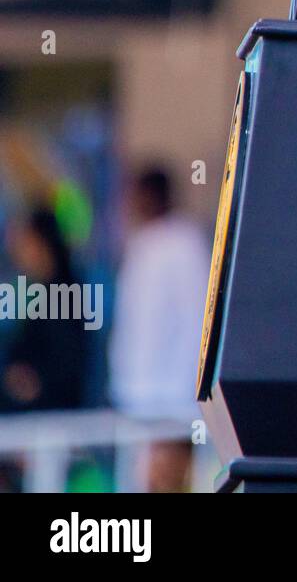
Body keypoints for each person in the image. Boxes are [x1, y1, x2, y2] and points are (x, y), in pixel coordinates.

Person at [109, 166, 209, 491]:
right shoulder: (141, 245)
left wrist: (184, 397)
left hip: (173, 400)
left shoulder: (184, 243)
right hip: (138, 400)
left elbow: (197, 321)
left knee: (172, 482)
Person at [0, 207, 90, 412]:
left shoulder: (64, 295)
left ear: (42, 244)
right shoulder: (38, 293)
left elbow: (66, 366)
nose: (17, 251)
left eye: (24, 243)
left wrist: (31, 383)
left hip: (52, 420)